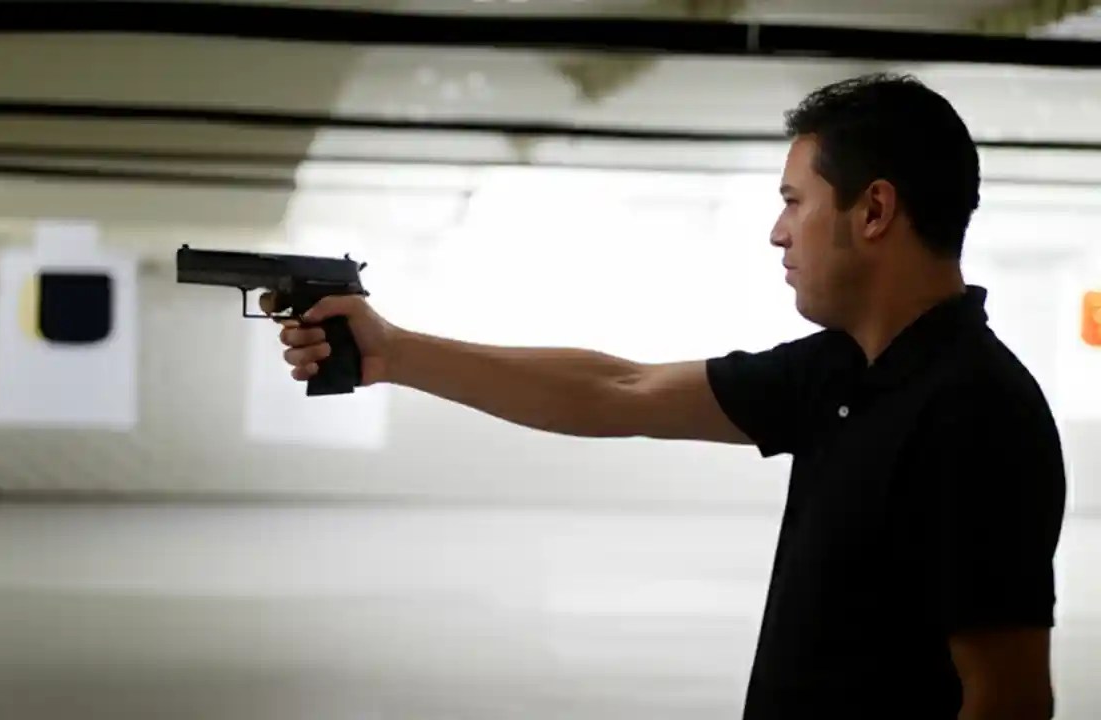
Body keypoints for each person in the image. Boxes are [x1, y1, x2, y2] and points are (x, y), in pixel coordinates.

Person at [266, 73, 1066, 720]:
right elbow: (619, 389)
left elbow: (1009, 698)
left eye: (794, 200)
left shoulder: (976, 409)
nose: (778, 232)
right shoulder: (838, 371)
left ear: (875, 210)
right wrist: (392, 352)